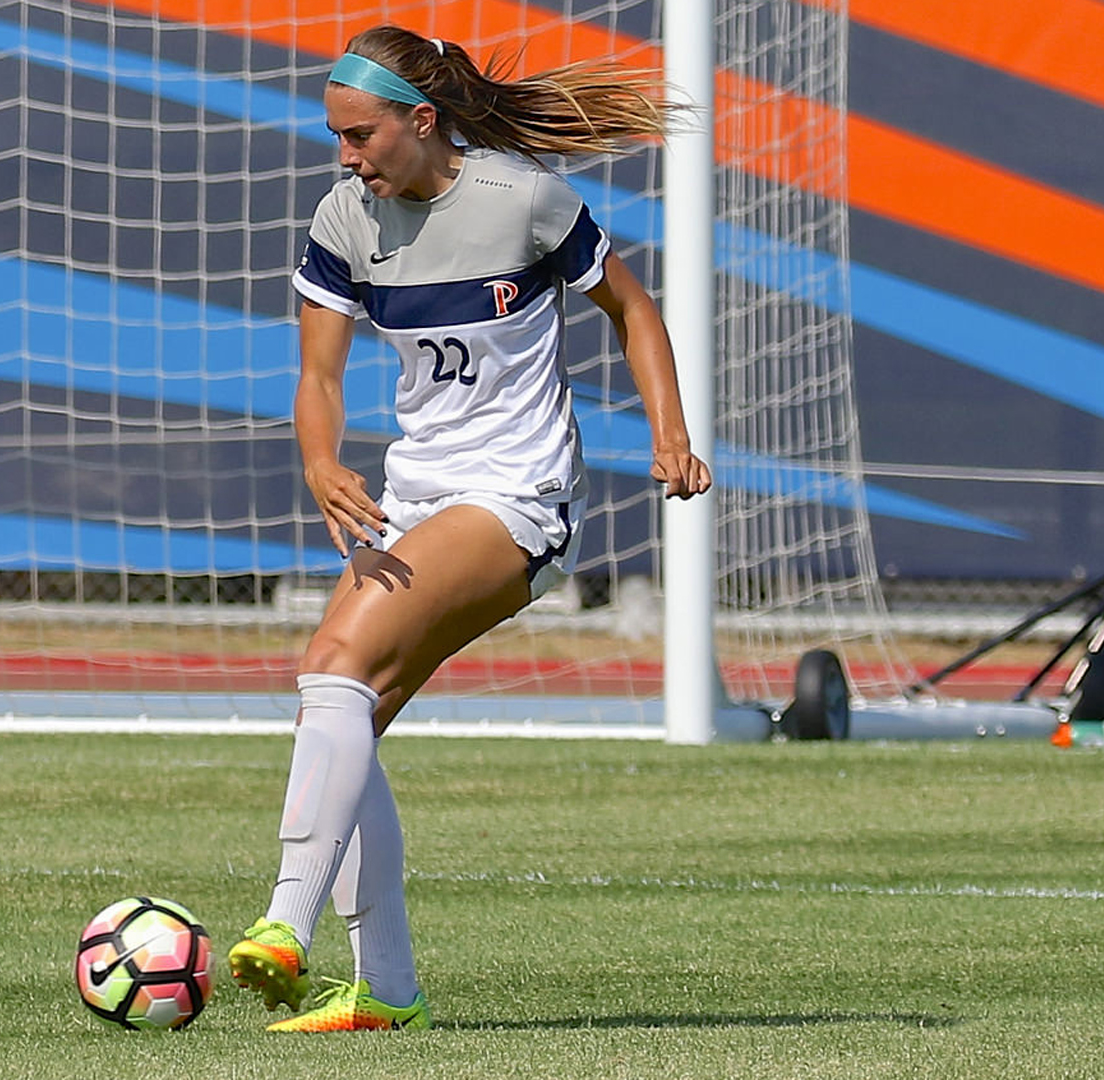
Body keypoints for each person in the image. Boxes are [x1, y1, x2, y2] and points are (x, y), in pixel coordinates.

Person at [226, 26, 711, 1033]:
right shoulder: (344, 219)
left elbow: (633, 309)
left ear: (421, 120)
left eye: (359, 135)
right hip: (416, 496)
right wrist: (320, 460)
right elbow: (318, 376)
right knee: (344, 718)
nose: (345, 157)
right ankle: (387, 991)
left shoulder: (521, 198)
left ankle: (283, 926)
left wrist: (670, 435)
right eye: (335, 137)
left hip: (519, 496)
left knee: (332, 671)